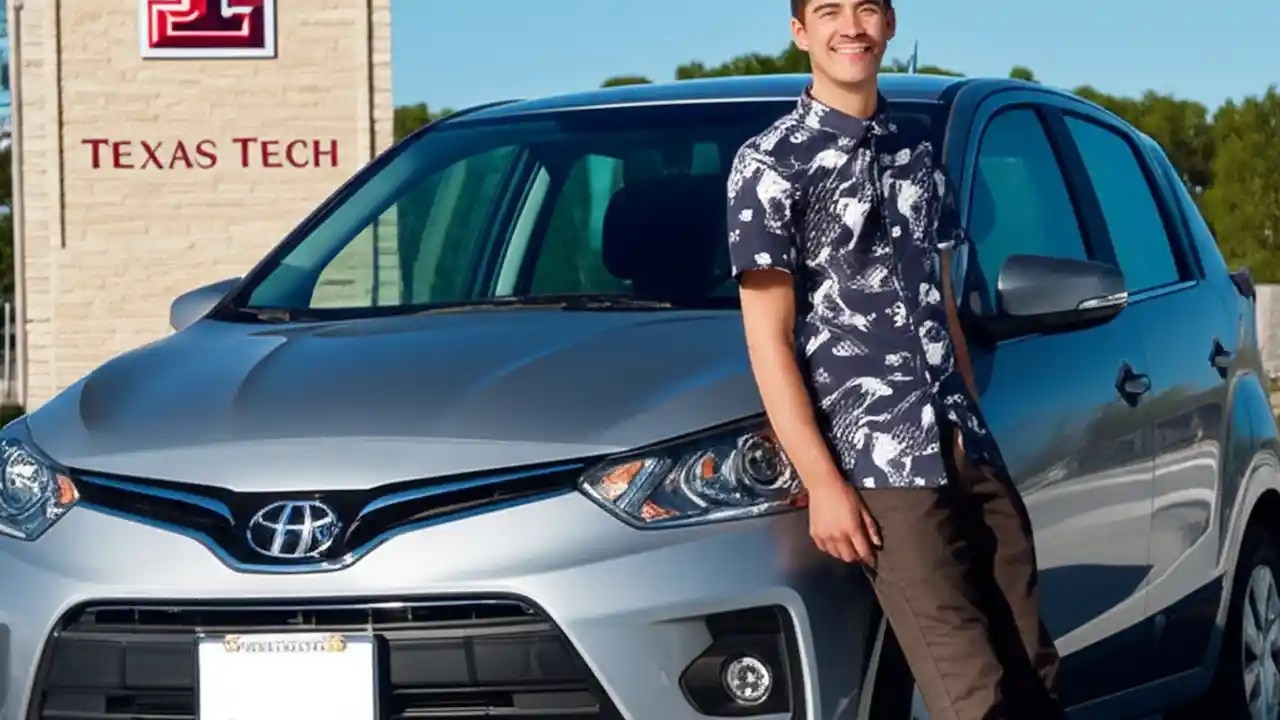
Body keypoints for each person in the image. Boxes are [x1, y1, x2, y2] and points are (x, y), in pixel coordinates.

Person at [724, 1, 1064, 718]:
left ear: (889, 24)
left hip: (964, 442)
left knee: (1033, 668)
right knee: (972, 690)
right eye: (829, 11)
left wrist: (975, 431)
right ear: (800, 32)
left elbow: (941, 307)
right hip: (882, 468)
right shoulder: (770, 164)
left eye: (867, 9)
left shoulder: (915, 154)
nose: (851, 26)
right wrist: (823, 482)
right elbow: (768, 340)